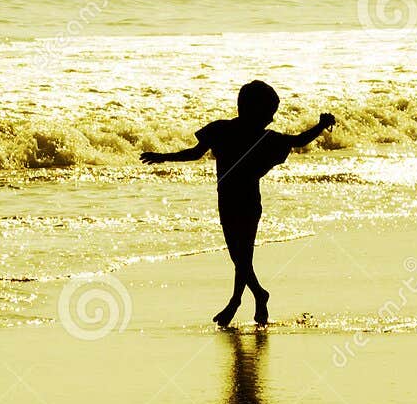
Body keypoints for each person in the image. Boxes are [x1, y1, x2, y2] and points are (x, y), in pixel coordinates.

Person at [141, 80, 334, 326]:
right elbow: (195, 152)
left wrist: (320, 125)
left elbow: (299, 140)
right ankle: (259, 295)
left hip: (248, 202)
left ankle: (235, 302)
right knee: (239, 256)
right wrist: (162, 157)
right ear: (252, 109)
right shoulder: (226, 130)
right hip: (228, 201)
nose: (271, 120)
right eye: (269, 113)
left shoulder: (251, 135)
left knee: (243, 255)